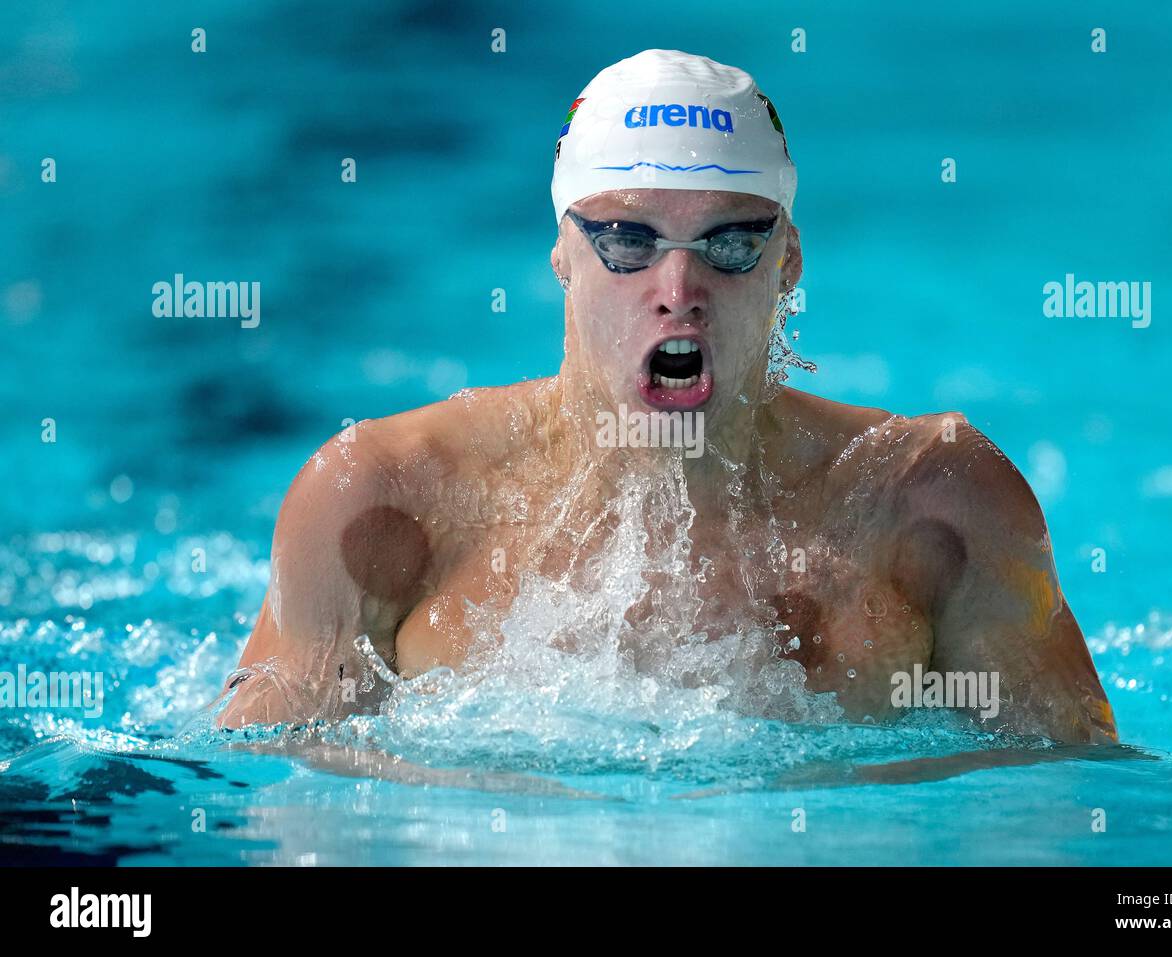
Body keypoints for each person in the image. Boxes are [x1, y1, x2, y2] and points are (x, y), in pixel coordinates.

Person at [220, 49, 1117, 745]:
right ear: (562, 256)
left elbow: (1063, 809)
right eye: (626, 240)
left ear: (789, 263)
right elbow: (269, 797)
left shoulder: (932, 503)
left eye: (730, 242)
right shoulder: (387, 500)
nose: (678, 284)